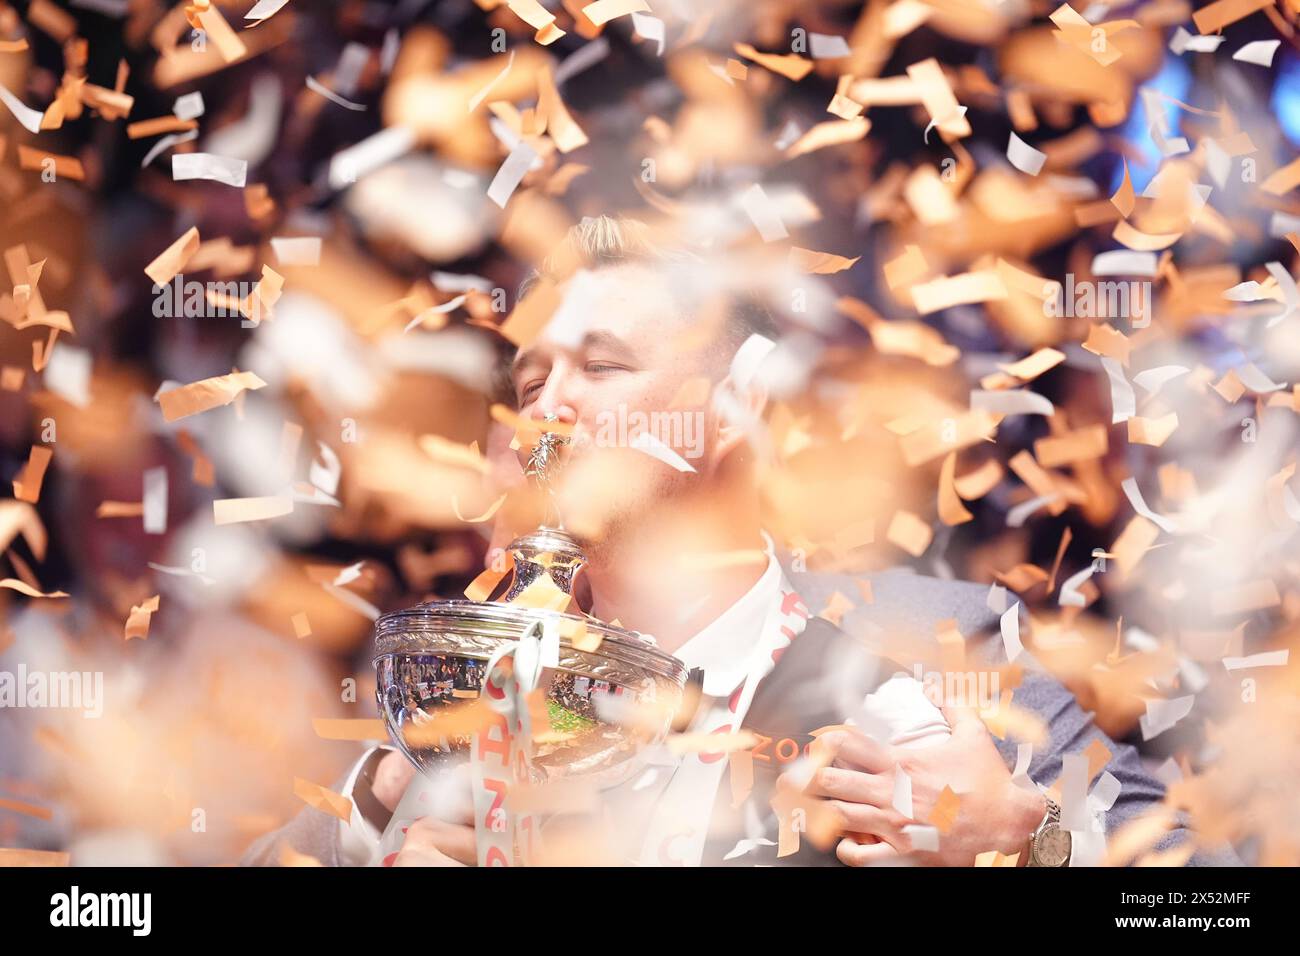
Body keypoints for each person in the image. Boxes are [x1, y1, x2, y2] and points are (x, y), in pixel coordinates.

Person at [241, 216, 1235, 867]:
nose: (548, 414)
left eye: (603, 366)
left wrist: (1034, 839)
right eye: (531, 383)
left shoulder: (937, 642)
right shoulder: (467, 685)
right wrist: (375, 808)